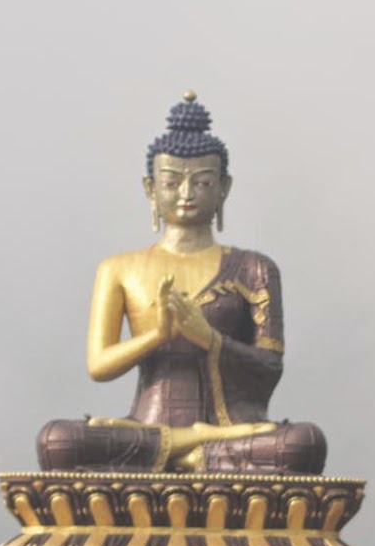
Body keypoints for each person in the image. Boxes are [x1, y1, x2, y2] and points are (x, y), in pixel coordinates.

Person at [36, 93, 327, 474]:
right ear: (150, 188)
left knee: (302, 444)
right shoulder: (119, 268)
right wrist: (157, 335)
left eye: (202, 183)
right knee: (57, 441)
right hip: (146, 427)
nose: (187, 195)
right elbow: (99, 366)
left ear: (224, 187)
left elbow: (269, 365)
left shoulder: (255, 268)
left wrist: (208, 337)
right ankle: (192, 447)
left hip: (235, 430)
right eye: (172, 182)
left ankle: (191, 451)